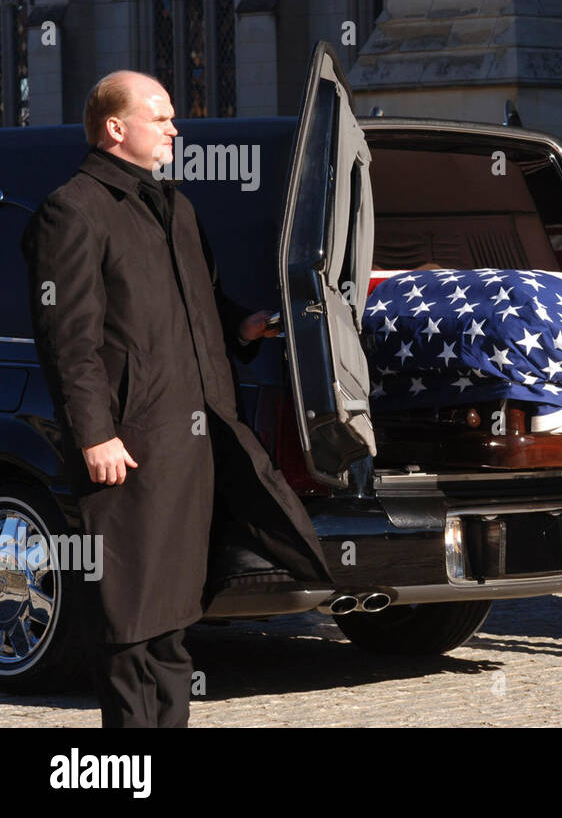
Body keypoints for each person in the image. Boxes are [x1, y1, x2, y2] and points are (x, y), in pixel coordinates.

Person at [20, 71, 333, 726]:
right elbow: (67, 339)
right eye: (159, 117)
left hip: (193, 446)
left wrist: (243, 326)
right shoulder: (72, 209)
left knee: (172, 624)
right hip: (128, 449)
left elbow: (201, 307)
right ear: (114, 128)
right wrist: (93, 435)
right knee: (130, 620)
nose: (173, 128)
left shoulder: (175, 206)